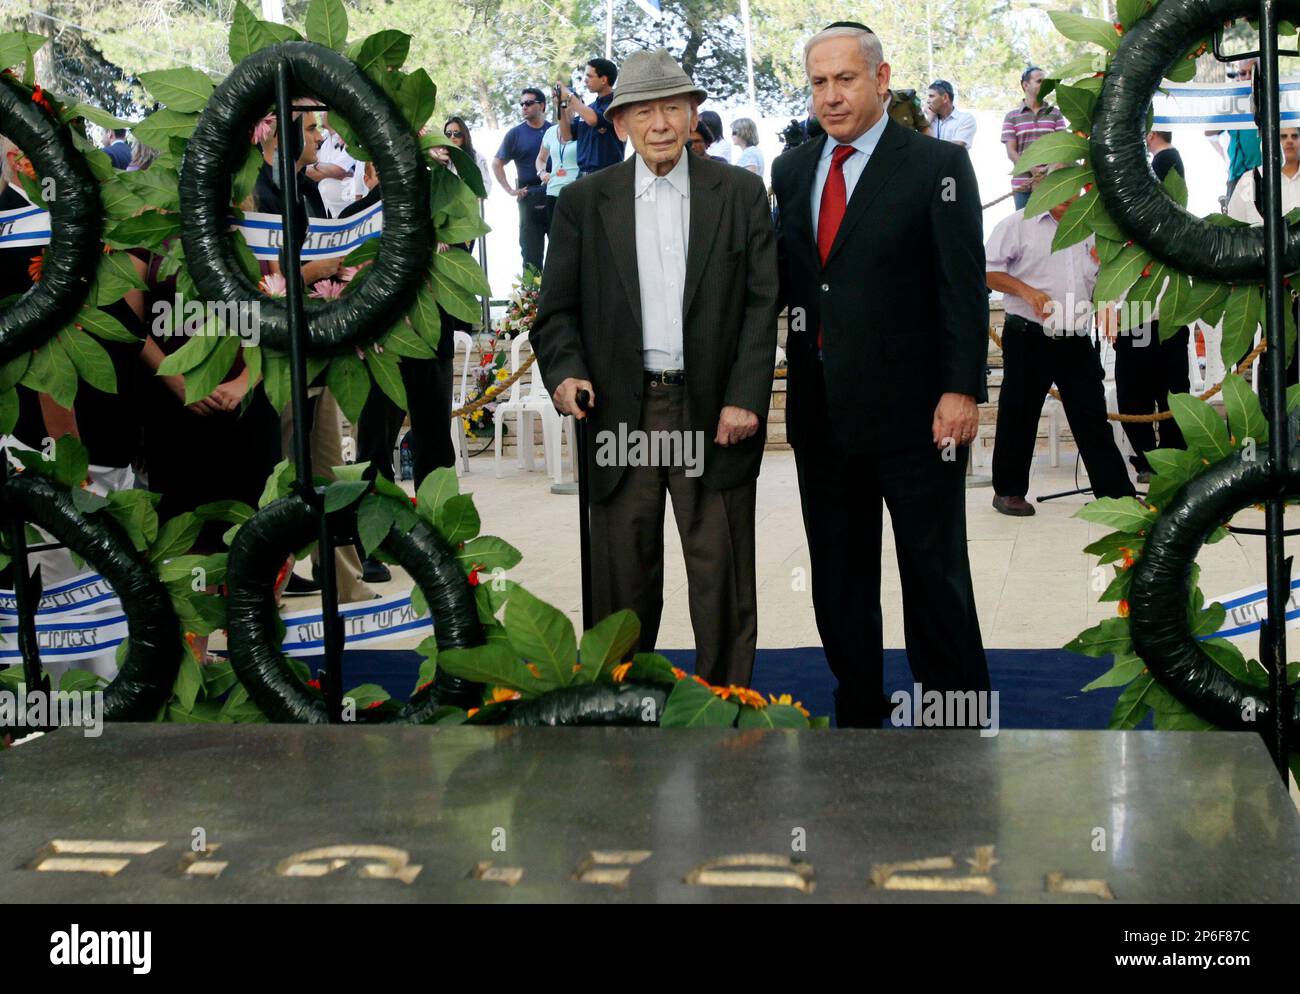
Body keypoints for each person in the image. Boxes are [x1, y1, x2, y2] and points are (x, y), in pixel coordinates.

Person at [533, 48, 779, 687]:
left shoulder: (742, 193)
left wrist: (746, 396)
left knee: (720, 576)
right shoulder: (584, 203)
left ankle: (727, 707)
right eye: (644, 112)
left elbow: (761, 303)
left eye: (673, 107)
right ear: (620, 124)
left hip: (710, 411)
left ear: (694, 114)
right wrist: (565, 374)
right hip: (620, 411)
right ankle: (623, 710)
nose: (661, 123)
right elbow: (555, 313)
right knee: (622, 581)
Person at [771, 22, 990, 728]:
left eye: (845, 79)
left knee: (934, 575)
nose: (830, 96)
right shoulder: (794, 169)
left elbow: (962, 286)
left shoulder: (938, 165)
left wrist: (961, 389)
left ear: (880, 77)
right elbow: (796, 282)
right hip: (822, 414)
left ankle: (956, 716)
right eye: (818, 83)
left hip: (918, 414)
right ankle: (858, 714)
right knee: (839, 578)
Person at [986, 174, 1137, 513]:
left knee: (1091, 415)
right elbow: (987, 271)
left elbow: (1102, 278)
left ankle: (1115, 494)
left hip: (1076, 338)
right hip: (1029, 336)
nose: (1068, 196)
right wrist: (1026, 291)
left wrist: (1108, 304)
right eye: (1060, 189)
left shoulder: (1091, 228)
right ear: (1042, 189)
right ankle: (1008, 491)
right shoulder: (1016, 225)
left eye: (1074, 189)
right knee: (1019, 414)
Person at [1107, 133, 1190, 484]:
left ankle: (1173, 460)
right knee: (1134, 395)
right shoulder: (1116, 223)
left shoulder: (1179, 224)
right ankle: (1144, 461)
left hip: (1169, 319)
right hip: (1133, 323)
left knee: (1174, 394)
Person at [493, 88, 552, 274]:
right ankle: (531, 301)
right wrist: (510, 190)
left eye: (528, 103)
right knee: (531, 257)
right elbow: (497, 163)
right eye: (522, 104)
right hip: (528, 197)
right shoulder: (515, 134)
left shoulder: (555, 131)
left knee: (563, 252)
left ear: (541, 105)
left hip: (555, 195)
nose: (524, 107)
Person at [1002, 66, 1067, 209]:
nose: (1045, 85)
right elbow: (1011, 152)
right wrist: (1033, 170)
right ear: (1025, 85)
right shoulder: (1011, 117)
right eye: (1039, 81)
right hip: (1023, 186)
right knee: (1024, 229)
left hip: (1051, 184)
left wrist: (1046, 171)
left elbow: (1063, 147)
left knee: (1050, 230)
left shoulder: (1055, 113)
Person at [1207, 59, 1262, 204]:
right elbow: (1209, 132)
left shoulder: (1273, 99)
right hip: (1238, 176)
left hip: (1267, 175)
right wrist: (1231, 102)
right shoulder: (1232, 103)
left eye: (1253, 73)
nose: (1248, 77)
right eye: (1243, 73)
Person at [558, 57, 624, 174]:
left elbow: (593, 120)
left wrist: (569, 96)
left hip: (608, 175)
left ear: (603, 80)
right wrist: (561, 105)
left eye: (589, 76)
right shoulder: (590, 108)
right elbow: (566, 136)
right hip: (584, 175)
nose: (585, 80)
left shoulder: (616, 105)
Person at [309, 115, 361, 217]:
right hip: (325, 210)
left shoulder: (349, 138)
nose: (320, 114)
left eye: (324, 110)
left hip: (348, 208)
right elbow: (309, 173)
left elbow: (339, 170)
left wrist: (316, 164)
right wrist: (328, 171)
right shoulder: (324, 138)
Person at [536, 117, 580, 229]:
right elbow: (540, 159)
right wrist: (542, 173)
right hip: (553, 192)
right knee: (555, 239)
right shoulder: (551, 131)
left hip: (577, 191)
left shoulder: (583, 129)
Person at [442, 115, 492, 196]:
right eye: (448, 134)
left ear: (464, 135)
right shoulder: (440, 157)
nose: (452, 137)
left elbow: (486, 186)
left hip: (469, 204)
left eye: (457, 133)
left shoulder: (478, 157)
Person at [927, 79, 976, 149]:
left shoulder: (965, 119)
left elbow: (954, 149)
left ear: (945, 98)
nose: (927, 101)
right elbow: (919, 146)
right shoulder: (929, 119)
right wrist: (929, 118)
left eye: (931, 96)